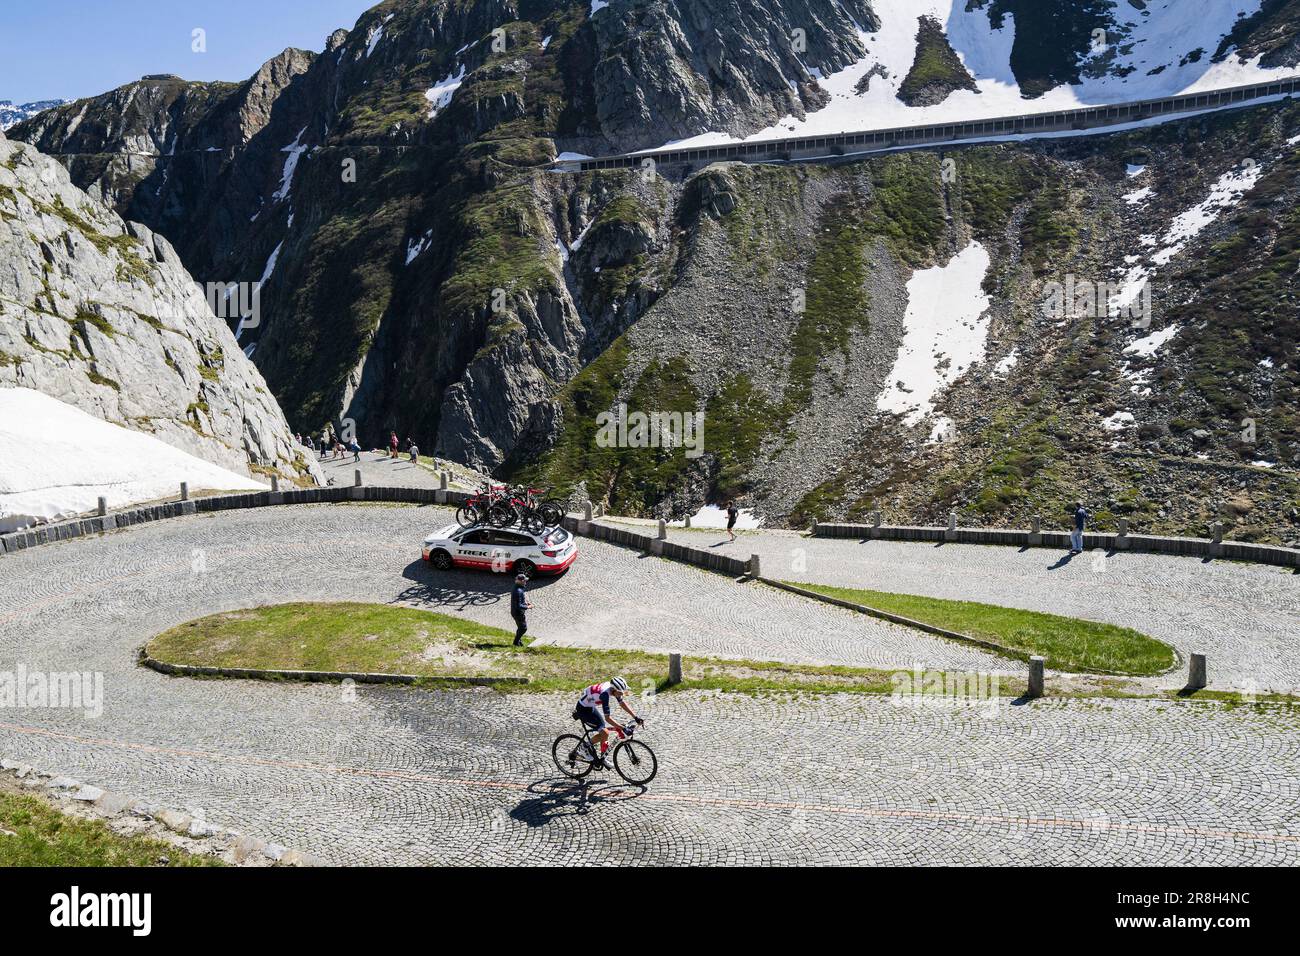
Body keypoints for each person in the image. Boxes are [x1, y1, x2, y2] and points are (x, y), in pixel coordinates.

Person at [574, 677, 642, 769]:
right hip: (583, 710)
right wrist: (622, 728)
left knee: (604, 732)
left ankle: (602, 758)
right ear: (614, 690)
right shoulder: (604, 695)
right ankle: (583, 748)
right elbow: (608, 718)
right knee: (604, 732)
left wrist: (635, 717)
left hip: (590, 706)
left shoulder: (613, 689)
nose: (622, 694)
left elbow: (622, 703)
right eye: (620, 692)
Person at [510, 572, 532, 647]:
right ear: (520, 581)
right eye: (524, 581)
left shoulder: (517, 587)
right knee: (523, 628)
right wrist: (528, 607)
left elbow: (519, 600)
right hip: (518, 613)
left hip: (516, 612)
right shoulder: (518, 591)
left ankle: (518, 640)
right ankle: (516, 642)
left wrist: (525, 602)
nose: (525, 582)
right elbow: (518, 605)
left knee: (520, 627)